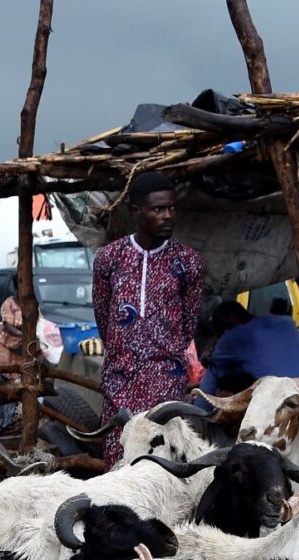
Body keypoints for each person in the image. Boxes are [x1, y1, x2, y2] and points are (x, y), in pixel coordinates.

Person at [91, 170, 206, 464]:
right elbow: (104, 317)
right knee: (119, 458)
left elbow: (189, 324)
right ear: (136, 212)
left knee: (164, 458)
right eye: (158, 209)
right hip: (121, 379)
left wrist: (162, 356)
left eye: (171, 208)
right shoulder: (109, 259)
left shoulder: (188, 262)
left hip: (166, 380)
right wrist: (125, 353)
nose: (168, 215)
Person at [199, 298, 299, 396]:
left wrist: (207, 355)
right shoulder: (287, 321)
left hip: (276, 408)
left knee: (214, 368)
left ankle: (199, 413)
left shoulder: (234, 335)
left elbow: (209, 360)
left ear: (227, 324)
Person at [0, 291, 62, 370]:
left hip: (30, 339)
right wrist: (23, 334)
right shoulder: (9, 303)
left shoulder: (34, 303)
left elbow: (41, 321)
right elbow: (7, 324)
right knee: (8, 364)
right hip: (10, 340)